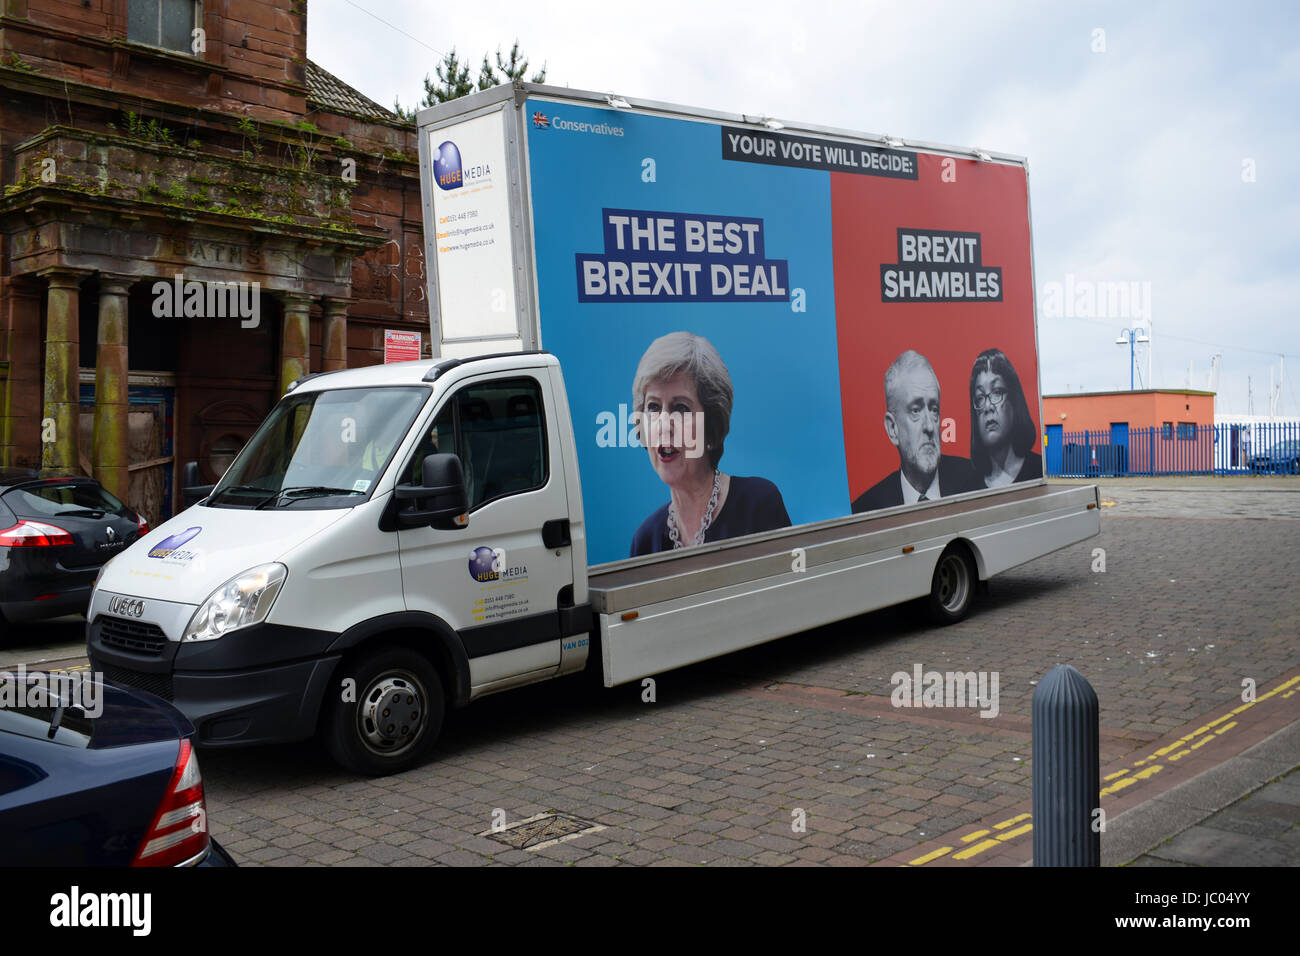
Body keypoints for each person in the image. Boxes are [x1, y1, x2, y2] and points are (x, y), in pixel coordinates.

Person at [629, 332, 791, 556]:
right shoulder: (646, 540)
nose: (663, 425)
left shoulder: (758, 505)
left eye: (681, 408)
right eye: (654, 407)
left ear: (711, 429)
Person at [851, 350, 981, 513]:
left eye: (934, 409)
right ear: (892, 428)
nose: (929, 426)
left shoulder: (977, 481)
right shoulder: (866, 511)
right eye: (915, 410)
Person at [968, 348, 1043, 487]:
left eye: (996, 392)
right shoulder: (969, 486)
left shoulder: (1039, 470)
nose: (988, 407)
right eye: (980, 398)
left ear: (1014, 401)